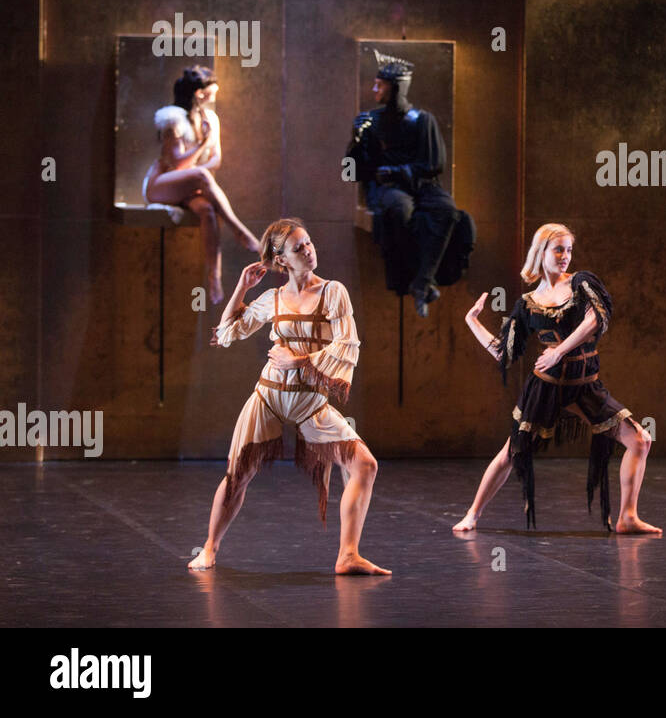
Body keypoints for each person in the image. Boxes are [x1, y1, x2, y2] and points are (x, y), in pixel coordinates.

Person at [188, 218, 389, 575]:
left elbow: (348, 345)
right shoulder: (273, 299)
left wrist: (298, 359)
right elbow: (228, 332)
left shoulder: (333, 292)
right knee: (238, 474)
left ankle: (348, 555)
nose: (309, 251)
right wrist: (241, 288)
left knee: (365, 465)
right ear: (282, 260)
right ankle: (209, 548)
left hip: (310, 401)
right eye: (299, 248)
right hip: (270, 396)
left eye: (309, 243)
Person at [453, 223, 659, 534]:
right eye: (558, 249)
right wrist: (471, 321)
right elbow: (502, 352)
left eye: (569, 249)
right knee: (513, 452)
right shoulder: (527, 304)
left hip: (585, 385)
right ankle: (472, 514)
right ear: (541, 252)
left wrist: (559, 351)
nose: (565, 256)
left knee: (640, 440)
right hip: (546, 388)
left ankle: (627, 517)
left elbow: (596, 318)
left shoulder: (581, 284)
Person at [346, 51, 461, 317]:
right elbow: (350, 171)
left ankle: (423, 280)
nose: (374, 89)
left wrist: (397, 170)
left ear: (396, 87)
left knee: (447, 210)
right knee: (399, 210)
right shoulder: (371, 122)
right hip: (388, 189)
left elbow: (434, 163)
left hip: (419, 184)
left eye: (380, 85)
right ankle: (415, 279)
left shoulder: (422, 121)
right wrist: (356, 139)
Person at [143, 66, 260, 305]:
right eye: (212, 86)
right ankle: (239, 230)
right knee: (203, 177)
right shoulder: (173, 118)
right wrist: (202, 145)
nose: (216, 89)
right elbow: (176, 163)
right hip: (161, 185)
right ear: (199, 92)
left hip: (189, 186)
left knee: (207, 210)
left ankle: (214, 277)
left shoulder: (211, 120)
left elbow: (216, 159)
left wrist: (198, 175)